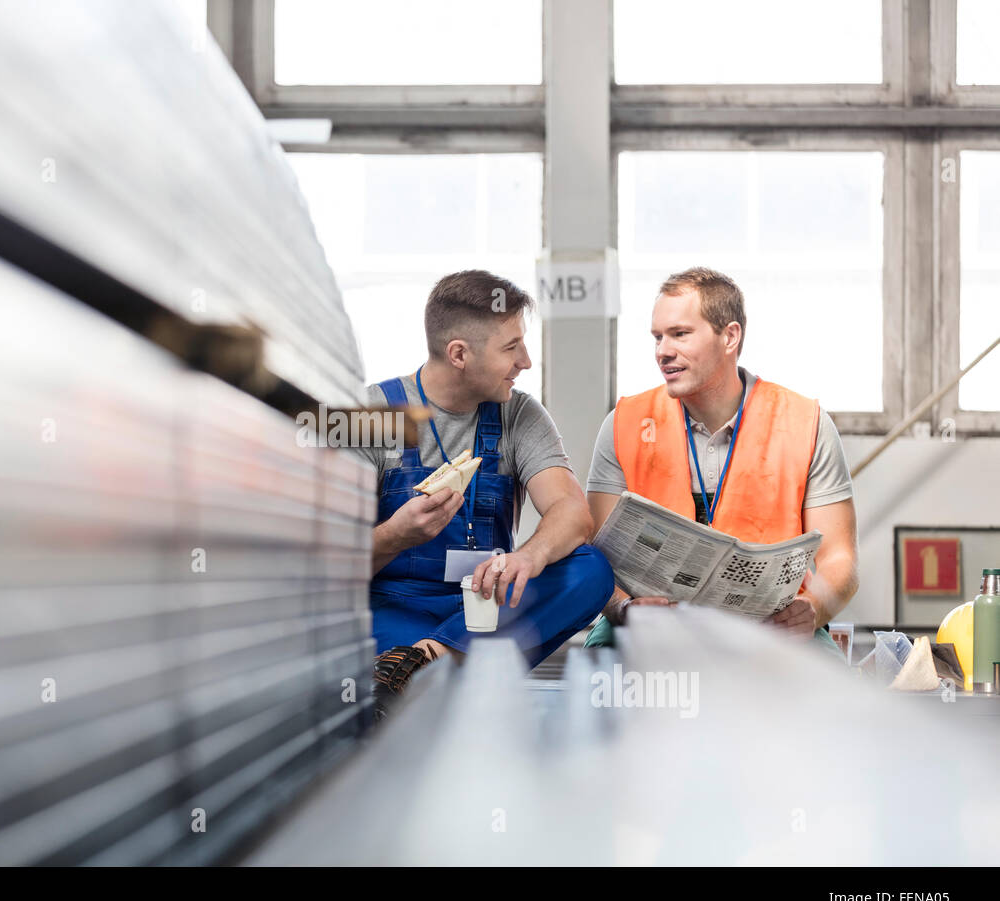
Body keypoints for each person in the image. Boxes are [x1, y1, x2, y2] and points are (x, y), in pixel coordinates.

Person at [356, 270, 614, 717]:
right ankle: (443, 669)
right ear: (460, 354)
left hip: (490, 607)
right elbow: (326, 564)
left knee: (590, 569)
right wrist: (396, 535)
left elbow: (572, 512)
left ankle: (425, 663)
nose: (526, 362)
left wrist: (528, 558)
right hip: (394, 606)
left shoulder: (520, 415)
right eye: (511, 348)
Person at [584, 267, 858, 655]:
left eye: (680, 334)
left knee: (833, 695)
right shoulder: (624, 424)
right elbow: (595, 554)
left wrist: (812, 609)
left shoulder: (805, 423)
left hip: (771, 627)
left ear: (730, 336)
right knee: (596, 680)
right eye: (658, 337)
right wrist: (623, 608)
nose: (663, 351)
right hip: (648, 627)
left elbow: (839, 557)